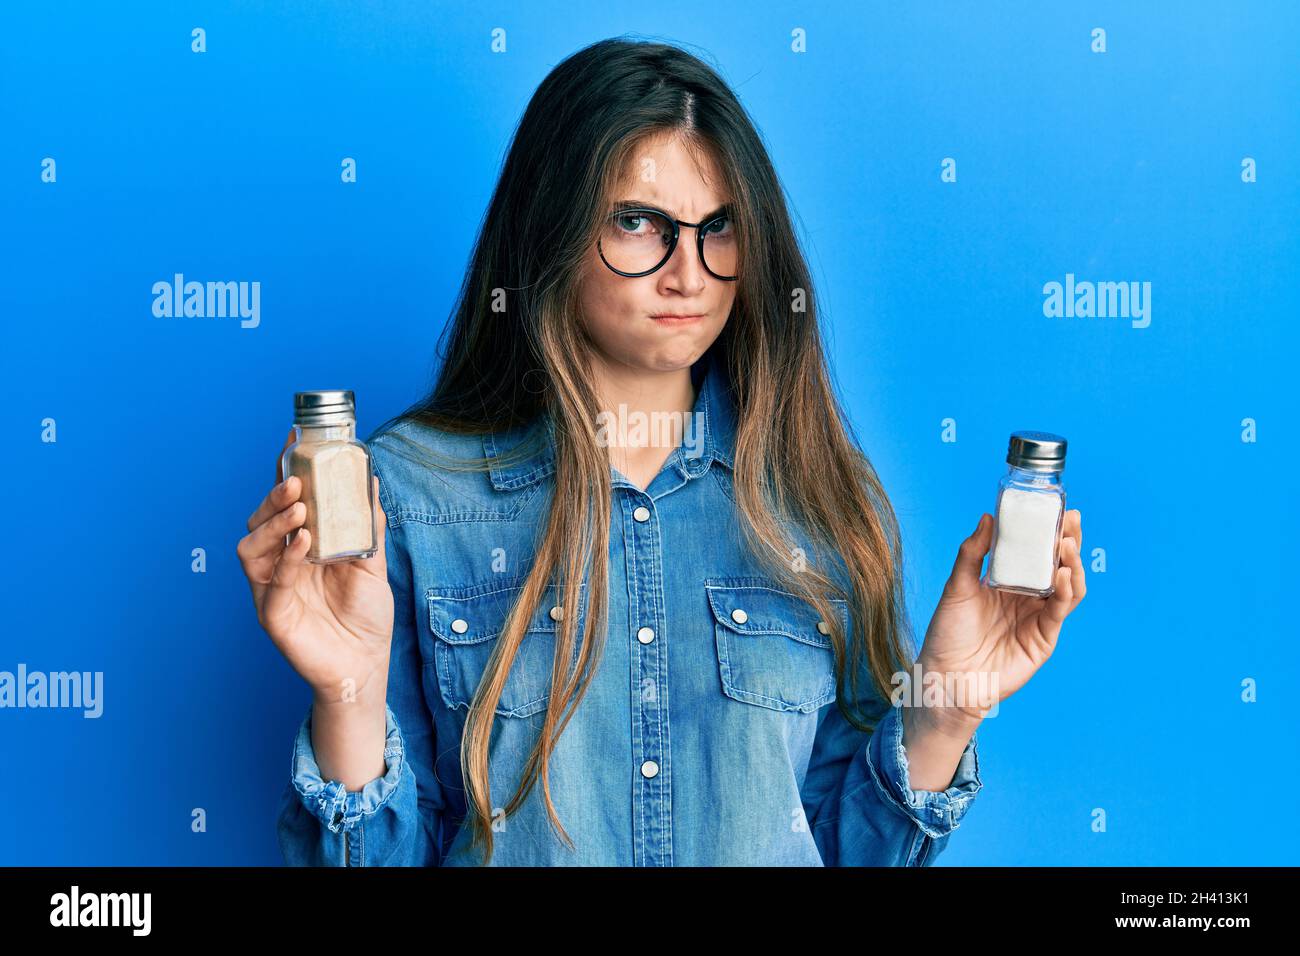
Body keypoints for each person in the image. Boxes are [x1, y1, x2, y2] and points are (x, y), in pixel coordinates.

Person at [238, 37, 1086, 867]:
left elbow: (846, 850)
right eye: (640, 224)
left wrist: (945, 711)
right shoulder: (412, 493)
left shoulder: (824, 502)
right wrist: (345, 697)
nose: (689, 273)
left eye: (717, 228)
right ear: (552, 231)